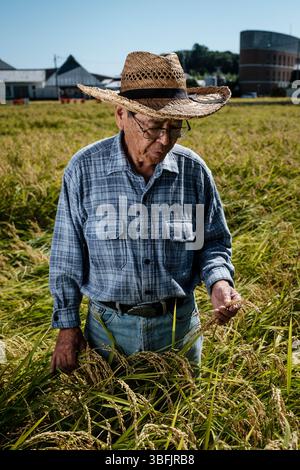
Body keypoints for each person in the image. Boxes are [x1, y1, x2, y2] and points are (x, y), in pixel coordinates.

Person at [49, 51, 241, 375]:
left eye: (176, 127)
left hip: (179, 327)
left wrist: (219, 282)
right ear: (121, 115)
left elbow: (213, 242)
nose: (165, 140)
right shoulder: (84, 170)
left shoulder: (193, 172)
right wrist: (67, 328)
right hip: (108, 331)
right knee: (108, 419)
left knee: (178, 417)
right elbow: (67, 257)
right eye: (153, 127)